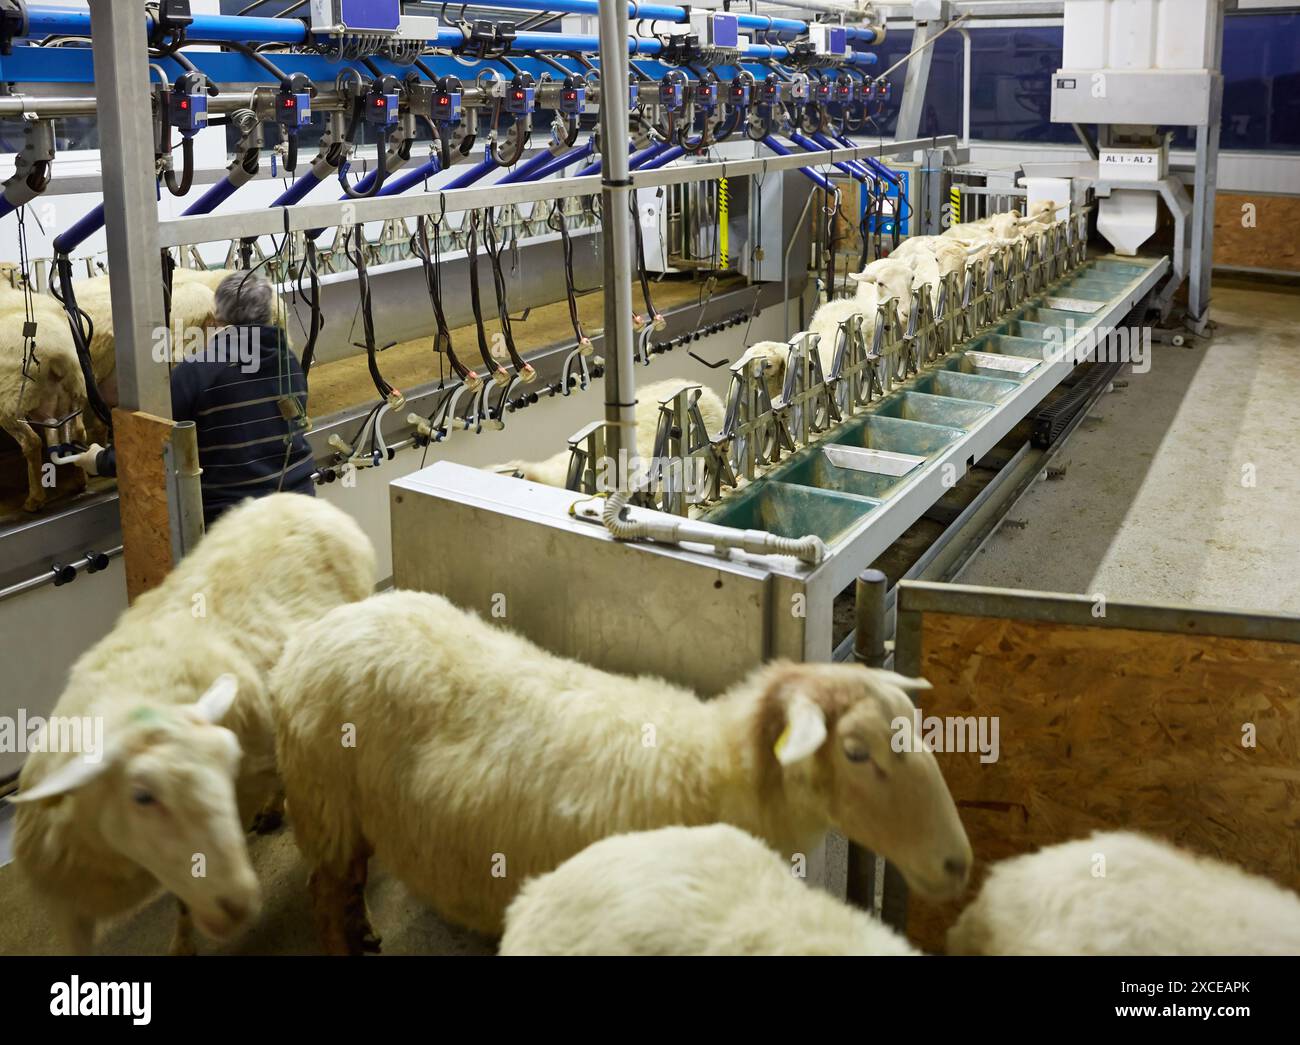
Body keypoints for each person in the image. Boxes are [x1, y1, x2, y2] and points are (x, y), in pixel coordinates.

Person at [73, 271, 316, 527]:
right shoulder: (290, 363)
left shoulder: (197, 372)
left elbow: (151, 442)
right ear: (269, 314)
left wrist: (100, 461)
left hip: (237, 526)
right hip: (302, 509)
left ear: (217, 317)